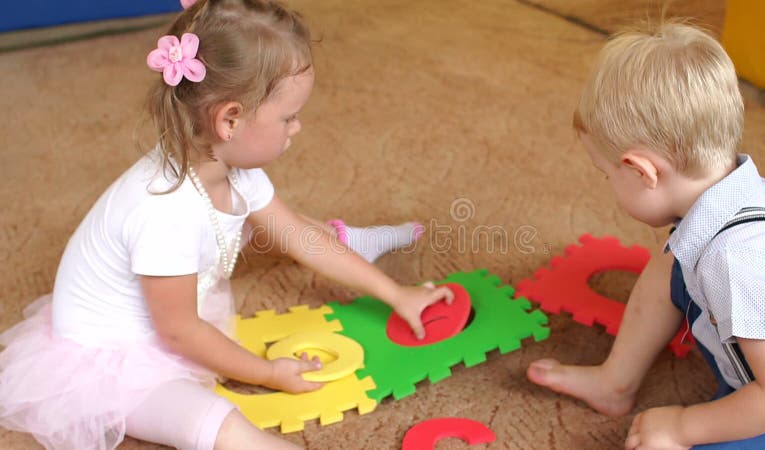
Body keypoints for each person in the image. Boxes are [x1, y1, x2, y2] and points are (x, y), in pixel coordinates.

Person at [0, 1, 451, 449]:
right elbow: (179, 331)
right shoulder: (163, 212)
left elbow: (299, 237)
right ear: (229, 120)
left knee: (284, 225)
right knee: (214, 421)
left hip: (173, 311)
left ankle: (355, 242)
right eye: (288, 117)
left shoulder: (234, 170)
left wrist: (396, 294)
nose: (297, 128)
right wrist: (267, 372)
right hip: (107, 359)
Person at [526, 21, 765, 449]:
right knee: (675, 263)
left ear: (641, 171)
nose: (606, 183)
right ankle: (615, 382)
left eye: (606, 175)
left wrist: (683, 426)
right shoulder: (739, 199)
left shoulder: (739, 260)